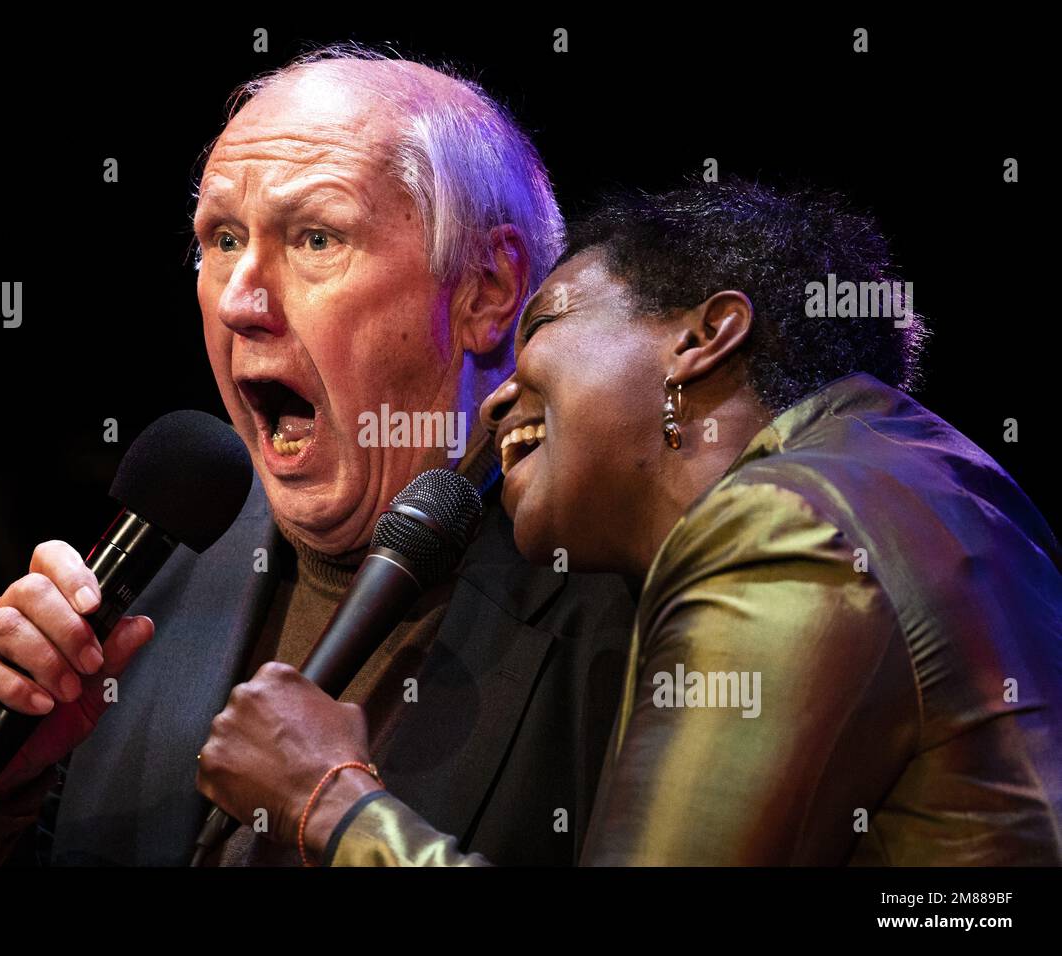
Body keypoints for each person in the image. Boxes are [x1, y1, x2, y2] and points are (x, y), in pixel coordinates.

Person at [0, 44, 637, 867]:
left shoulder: (620, 608)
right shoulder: (155, 574)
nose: (240, 300)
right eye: (223, 239)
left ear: (487, 289)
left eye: (314, 238)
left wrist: (346, 820)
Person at [194, 178, 1062, 865]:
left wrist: (329, 801)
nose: (500, 398)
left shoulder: (783, 526)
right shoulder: (922, 481)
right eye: (218, 241)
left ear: (704, 337)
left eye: (544, 323)